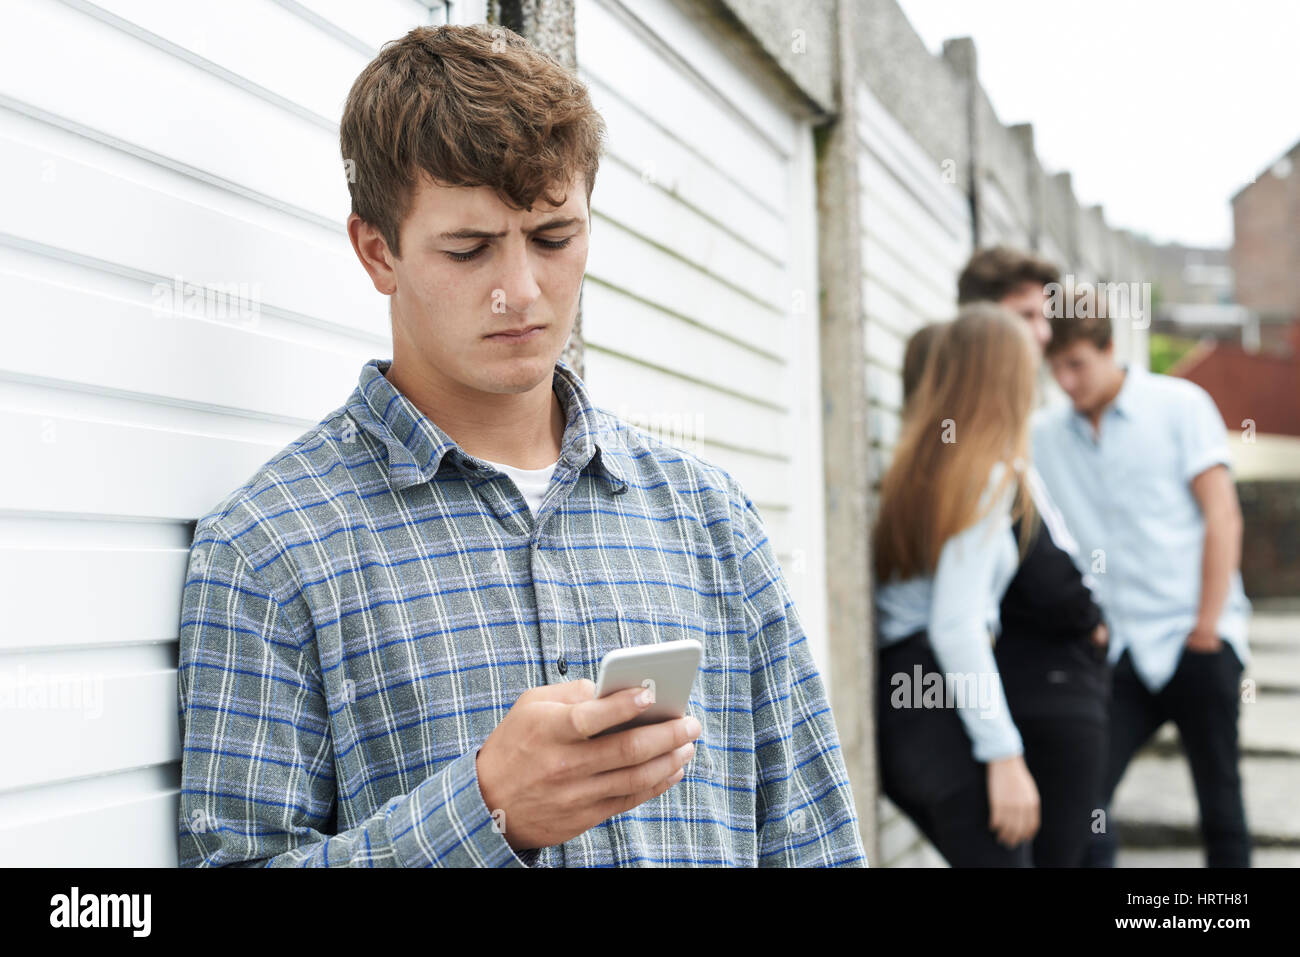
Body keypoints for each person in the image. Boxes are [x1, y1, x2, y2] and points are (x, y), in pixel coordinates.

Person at [176, 24, 866, 868]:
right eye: (468, 248)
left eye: (553, 237)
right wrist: (485, 810)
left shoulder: (709, 519)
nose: (521, 291)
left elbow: (816, 845)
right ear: (376, 250)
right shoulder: (267, 549)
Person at [1033, 296, 1252, 867]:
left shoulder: (1180, 405)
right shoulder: (1044, 436)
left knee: (1220, 804)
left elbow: (1222, 516)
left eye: (1077, 364)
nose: (1065, 381)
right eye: (1055, 368)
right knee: (1085, 802)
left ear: (1110, 348)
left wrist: (1207, 630)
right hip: (1115, 650)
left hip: (1194, 636)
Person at [955, 247, 1113, 867]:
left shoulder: (1013, 423)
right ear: (979, 321)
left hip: (1069, 679)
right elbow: (960, 614)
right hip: (1042, 684)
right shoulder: (967, 432)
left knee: (1097, 849)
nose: (1043, 334)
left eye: (1045, 318)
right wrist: (1085, 616)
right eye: (1027, 316)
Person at [874, 304, 1042, 866]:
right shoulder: (985, 477)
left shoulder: (923, 470)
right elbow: (956, 627)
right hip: (937, 696)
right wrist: (1005, 756)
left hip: (904, 700)